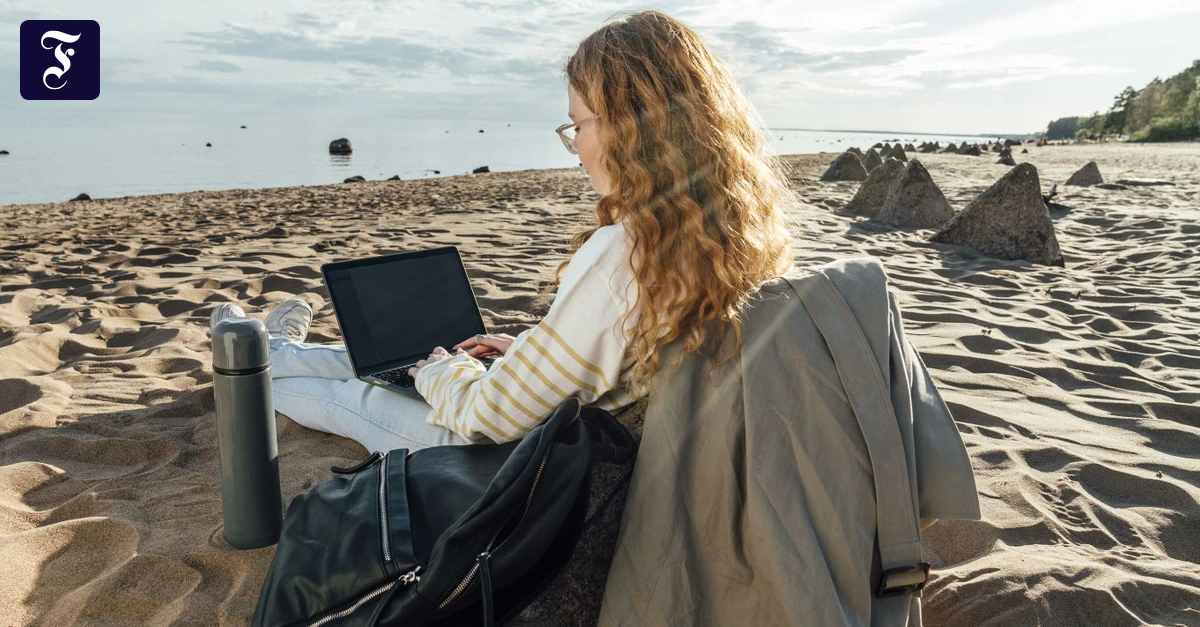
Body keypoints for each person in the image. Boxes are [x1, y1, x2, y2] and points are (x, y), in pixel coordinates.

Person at [209, 9, 800, 454]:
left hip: (516, 458)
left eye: (578, 126)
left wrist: (442, 374)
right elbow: (620, 359)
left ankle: (245, 359)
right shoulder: (729, 232)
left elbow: (487, 417)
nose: (575, 148)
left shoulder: (626, 253)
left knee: (362, 392)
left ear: (629, 128)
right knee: (380, 361)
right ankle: (270, 344)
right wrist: (525, 355)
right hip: (591, 423)